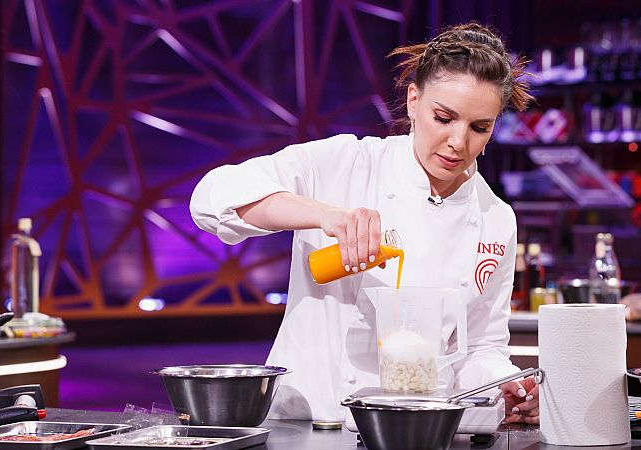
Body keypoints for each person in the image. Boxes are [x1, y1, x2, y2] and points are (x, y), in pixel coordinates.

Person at [190, 21, 540, 425]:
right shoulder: (348, 164)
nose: (458, 142)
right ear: (413, 100)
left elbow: (480, 346)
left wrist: (505, 386)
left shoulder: (495, 217)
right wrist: (324, 214)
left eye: (480, 127)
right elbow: (212, 199)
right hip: (310, 419)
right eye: (443, 118)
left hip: (414, 426)